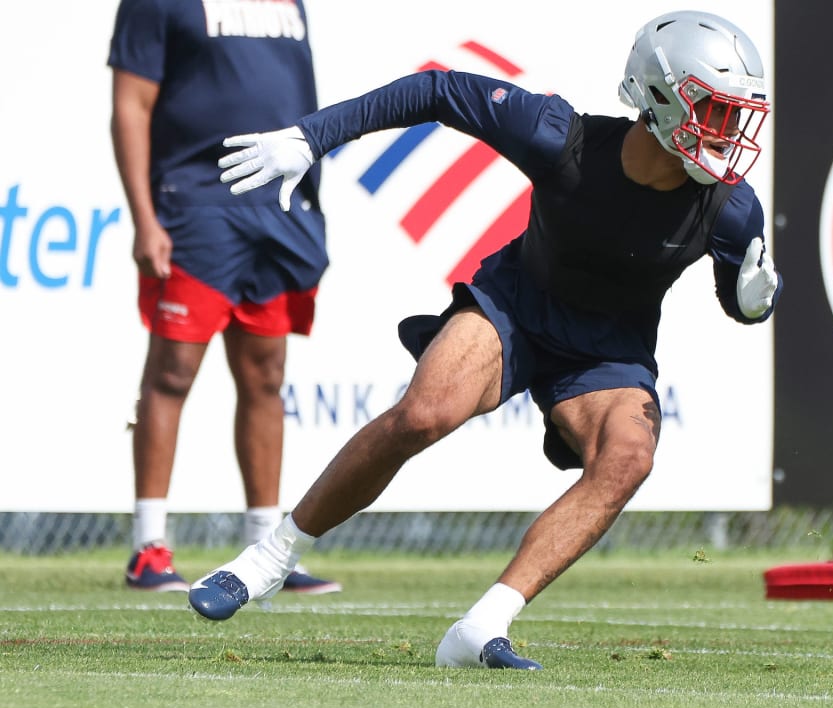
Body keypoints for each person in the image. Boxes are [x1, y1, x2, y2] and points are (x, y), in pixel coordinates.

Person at [187, 10, 779, 669]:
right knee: (425, 412)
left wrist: (754, 301)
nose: (730, 132)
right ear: (662, 97)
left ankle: (481, 627)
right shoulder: (562, 137)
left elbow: (739, 300)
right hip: (515, 310)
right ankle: (269, 559)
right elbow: (437, 90)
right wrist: (310, 137)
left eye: (737, 116)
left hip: (609, 353)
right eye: (717, 111)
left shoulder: (732, 208)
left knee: (629, 457)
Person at [109, 0, 339, 595]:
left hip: (278, 206)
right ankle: (148, 549)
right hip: (195, 205)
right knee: (172, 372)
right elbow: (130, 105)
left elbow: (299, 102)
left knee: (266, 376)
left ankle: (269, 553)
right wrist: (144, 218)